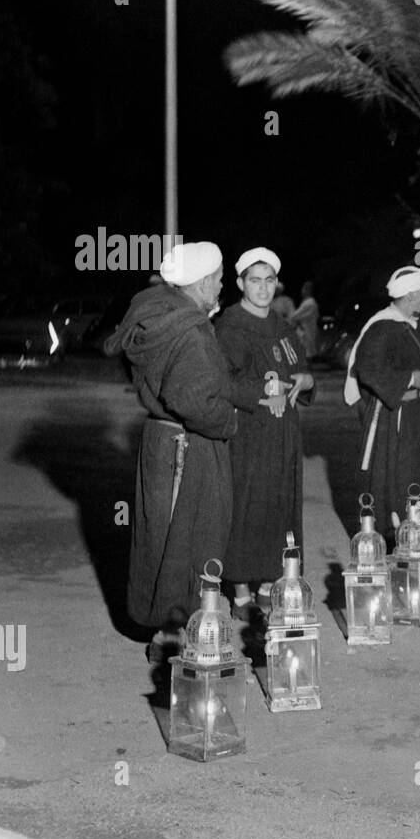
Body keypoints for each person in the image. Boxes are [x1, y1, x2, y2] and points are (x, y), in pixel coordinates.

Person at [103, 242, 249, 655]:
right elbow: (195, 401)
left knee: (164, 536)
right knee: (186, 536)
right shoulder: (189, 332)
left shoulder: (157, 314)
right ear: (202, 282)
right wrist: (230, 420)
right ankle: (173, 632)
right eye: (219, 279)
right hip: (188, 445)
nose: (222, 285)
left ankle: (169, 624)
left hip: (162, 440)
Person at [215, 248, 315, 620]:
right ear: (240, 283)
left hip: (284, 434)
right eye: (254, 281)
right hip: (250, 434)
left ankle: (267, 584)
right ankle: (240, 591)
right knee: (247, 506)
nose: (262, 288)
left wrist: (306, 380)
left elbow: (299, 368)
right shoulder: (230, 326)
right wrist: (262, 392)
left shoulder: (282, 325)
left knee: (278, 506)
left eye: (269, 280)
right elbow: (224, 381)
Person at [344, 265, 420, 551]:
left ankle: (419, 529)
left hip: (415, 413)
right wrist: (409, 378)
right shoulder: (382, 326)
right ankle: (392, 532)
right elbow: (367, 369)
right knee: (394, 474)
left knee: (417, 471)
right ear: (410, 296)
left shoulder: (412, 323)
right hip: (391, 415)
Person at [289, 280, 321, 359]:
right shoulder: (311, 302)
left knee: (306, 354)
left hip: (306, 331)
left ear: (308, 290)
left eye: (304, 289)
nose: (302, 291)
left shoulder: (309, 303)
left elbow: (294, 316)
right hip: (309, 330)